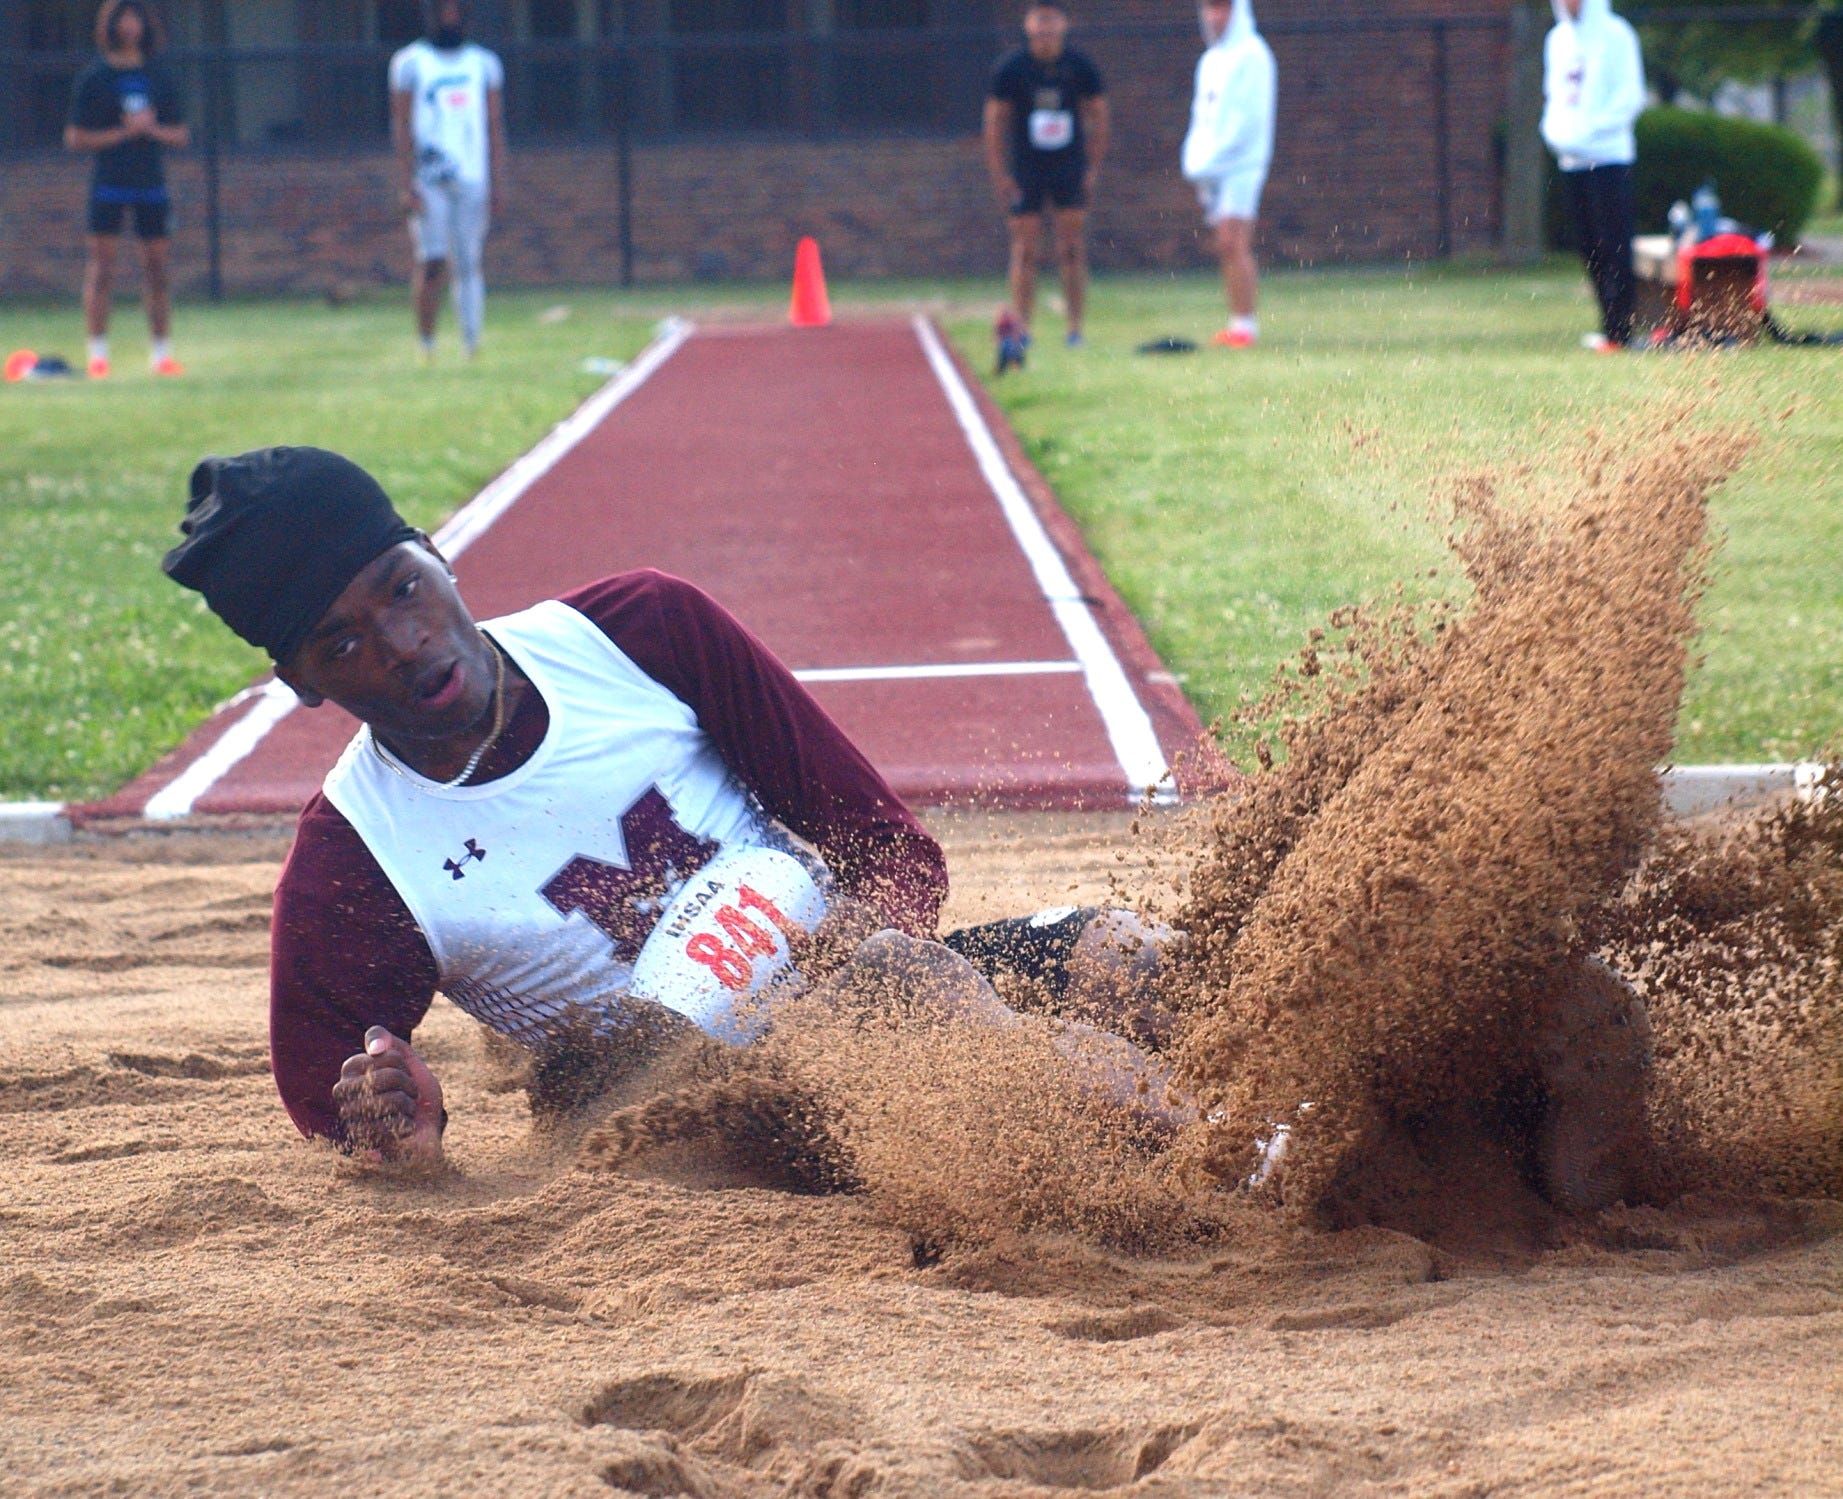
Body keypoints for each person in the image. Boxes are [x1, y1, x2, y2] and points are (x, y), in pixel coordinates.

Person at [159, 447, 1182, 1166]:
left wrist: (836, 990)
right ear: (299, 682)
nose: (402, 640)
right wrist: (398, 1133)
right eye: (341, 644)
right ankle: (1246, 1169)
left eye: (401, 587)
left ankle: (1296, 1114)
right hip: (692, 1120)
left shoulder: (643, 630)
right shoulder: (355, 860)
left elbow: (885, 849)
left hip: (864, 986)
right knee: (924, 989)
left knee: (1124, 950)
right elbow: (331, 1097)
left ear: (435, 552)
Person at [64, 0, 189, 380]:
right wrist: (124, 132)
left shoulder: (160, 76)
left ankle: (162, 355)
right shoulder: (94, 78)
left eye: (136, 18)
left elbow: (180, 134)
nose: (130, 26)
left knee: (157, 269)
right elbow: (75, 137)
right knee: (102, 269)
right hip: (109, 184)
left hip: (150, 183)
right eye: (123, 19)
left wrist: (149, 130)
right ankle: (98, 356)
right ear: (111, 26)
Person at [984, 0, 1110, 370]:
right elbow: (993, 124)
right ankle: (1022, 328)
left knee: (1070, 245)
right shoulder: (1011, 69)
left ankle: (1075, 328)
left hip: (1068, 166)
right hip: (1026, 167)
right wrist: (1000, 173)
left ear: (1063, 23)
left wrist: (1091, 168)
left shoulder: (1080, 67)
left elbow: (1100, 117)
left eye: (1051, 19)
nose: (1045, 28)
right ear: (1028, 24)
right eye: (1039, 20)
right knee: (1024, 247)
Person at [388, 0, 506, 361]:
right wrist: (405, 184)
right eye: (443, 11)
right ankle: (427, 344)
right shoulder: (410, 63)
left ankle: (472, 341)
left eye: (456, 10)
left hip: (472, 176)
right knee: (433, 260)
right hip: (429, 178)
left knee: (469, 259)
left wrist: (497, 183)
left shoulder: (483, 64)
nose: (450, 17)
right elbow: (402, 127)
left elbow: (493, 127)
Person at [1541, 0, 1645, 352]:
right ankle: (1608, 325)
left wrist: (1591, 132)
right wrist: (1555, 132)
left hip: (1609, 157)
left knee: (1614, 244)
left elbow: (1630, 98)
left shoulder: (1617, 35)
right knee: (1589, 246)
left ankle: (1622, 330)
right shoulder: (1557, 40)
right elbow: (1555, 96)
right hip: (1572, 160)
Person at [1181, 0, 1276, 350]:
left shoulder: (1253, 55)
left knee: (1234, 240)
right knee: (1224, 243)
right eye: (1209, 8)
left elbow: (1248, 121)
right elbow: (1202, 115)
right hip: (1212, 167)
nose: (1214, 16)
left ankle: (1244, 326)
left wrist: (1215, 159)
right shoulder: (1210, 61)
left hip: (1242, 164)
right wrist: (1195, 158)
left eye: (1223, 8)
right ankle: (1236, 322)